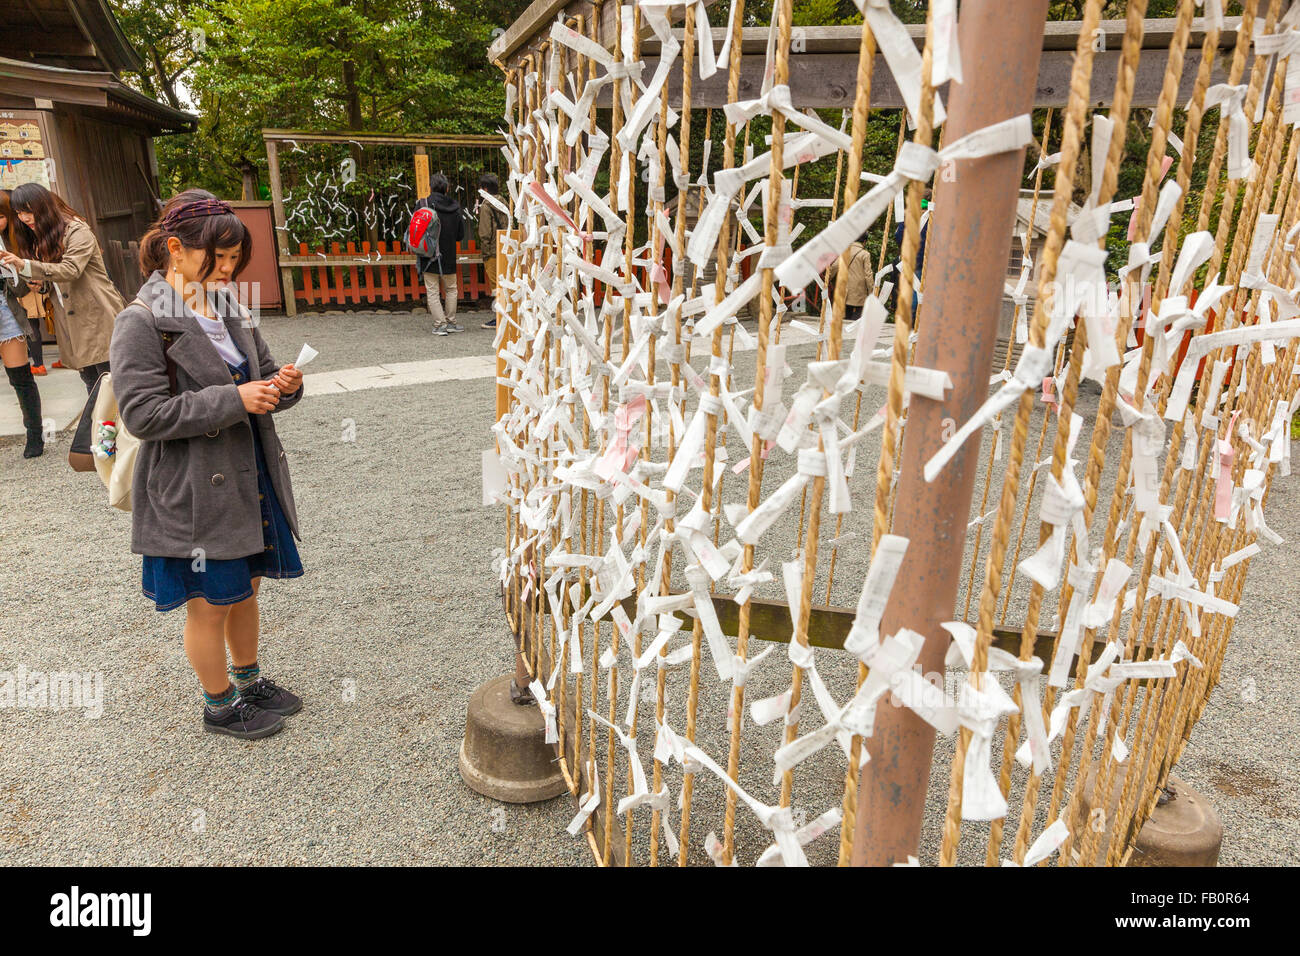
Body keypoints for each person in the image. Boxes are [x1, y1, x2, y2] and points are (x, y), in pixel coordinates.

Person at [109, 189, 306, 740]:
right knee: (209, 604)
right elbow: (143, 415)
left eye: (233, 260)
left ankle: (248, 679)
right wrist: (235, 400)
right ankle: (218, 705)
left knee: (246, 587)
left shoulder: (228, 307)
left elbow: (261, 378)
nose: (226, 269)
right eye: (215, 259)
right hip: (192, 486)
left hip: (248, 473)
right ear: (175, 248)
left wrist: (283, 386)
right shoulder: (143, 320)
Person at [0, 183, 122, 392]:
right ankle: (99, 424)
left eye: (28, 211)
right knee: (92, 383)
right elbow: (58, 280)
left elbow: (71, 269)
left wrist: (26, 265)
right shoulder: (47, 235)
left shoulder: (77, 229)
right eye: (19, 213)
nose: (24, 218)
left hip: (96, 316)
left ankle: (104, 424)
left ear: (44, 207)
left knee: (109, 382)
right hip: (72, 321)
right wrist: (42, 285)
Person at [0, 190, 42, 457]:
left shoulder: (13, 242)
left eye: (1, 216)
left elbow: (23, 290)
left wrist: (10, 269)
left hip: (6, 311)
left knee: (21, 378)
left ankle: (35, 435)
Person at [414, 173, 465, 335]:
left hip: (428, 255)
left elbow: (416, 230)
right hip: (448, 256)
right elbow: (460, 235)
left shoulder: (423, 204)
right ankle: (451, 322)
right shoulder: (455, 207)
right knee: (451, 289)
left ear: (431, 187)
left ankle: (440, 324)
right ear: (447, 188)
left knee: (433, 291)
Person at [476, 173, 508, 330]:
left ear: (485, 188)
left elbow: (484, 233)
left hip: (492, 251)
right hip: (505, 248)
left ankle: (500, 318)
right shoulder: (504, 202)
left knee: (496, 286)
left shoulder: (486, 206)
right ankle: (505, 315)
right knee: (505, 284)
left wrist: (485, 247)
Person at [828, 230, 873, 323]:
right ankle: (853, 333)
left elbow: (835, 267)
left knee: (845, 314)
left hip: (844, 289)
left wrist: (828, 279)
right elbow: (868, 275)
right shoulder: (865, 254)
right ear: (864, 241)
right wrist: (871, 291)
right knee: (857, 315)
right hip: (859, 291)